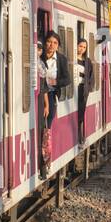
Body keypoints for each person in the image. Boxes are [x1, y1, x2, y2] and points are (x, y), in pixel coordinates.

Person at [38, 30, 69, 175]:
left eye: (55, 43)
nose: (51, 45)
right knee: (41, 126)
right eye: (49, 42)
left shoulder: (61, 59)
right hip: (39, 95)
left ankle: (45, 158)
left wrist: (55, 82)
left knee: (47, 127)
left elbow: (67, 79)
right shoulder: (39, 56)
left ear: (58, 45)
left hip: (51, 94)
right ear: (45, 43)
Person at [74, 38, 93, 148]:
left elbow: (91, 77)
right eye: (80, 46)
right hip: (73, 90)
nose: (82, 49)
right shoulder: (72, 59)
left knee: (81, 114)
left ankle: (80, 137)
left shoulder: (87, 61)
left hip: (82, 90)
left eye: (84, 47)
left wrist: (88, 89)